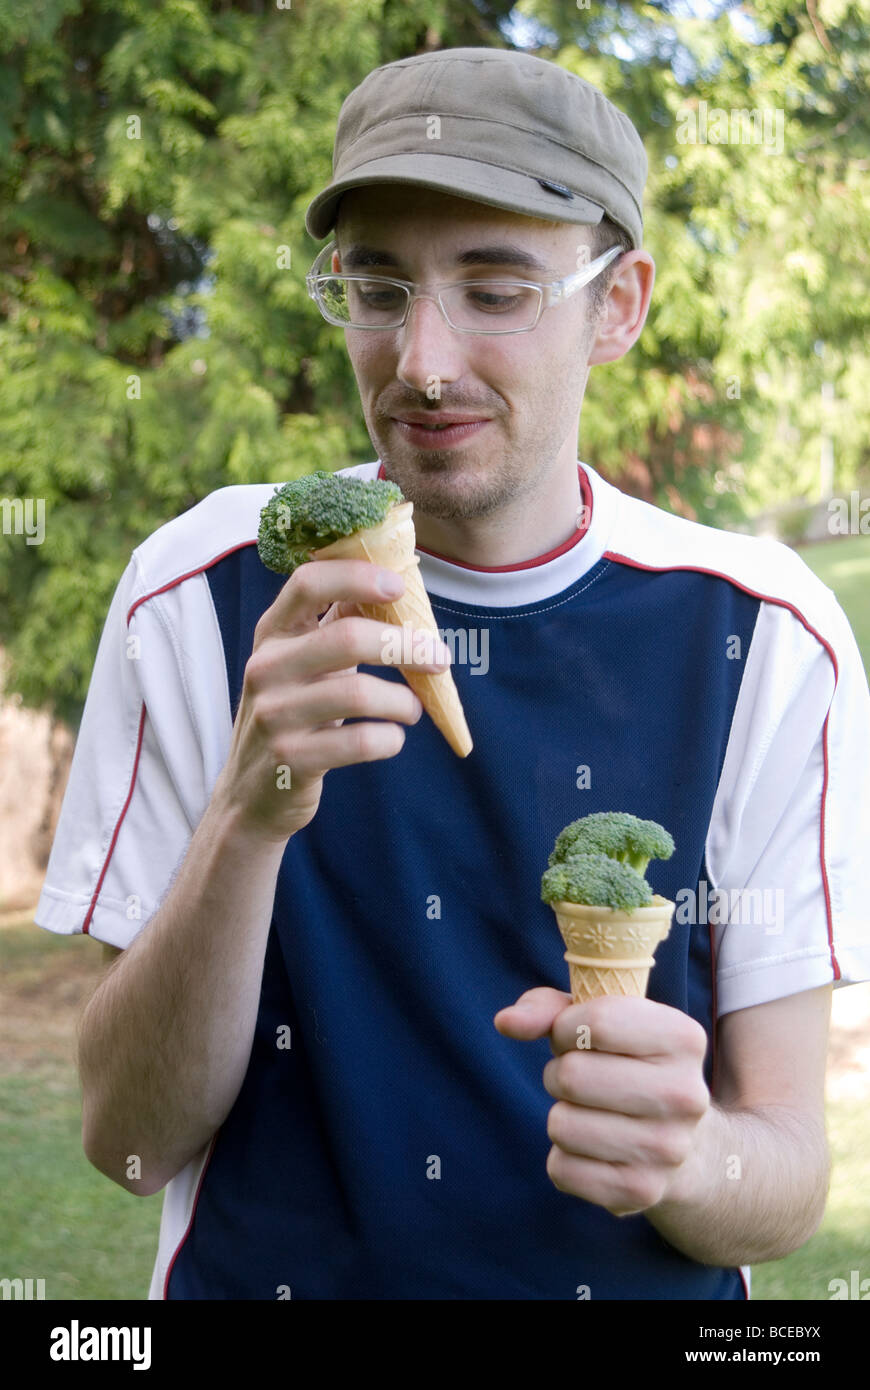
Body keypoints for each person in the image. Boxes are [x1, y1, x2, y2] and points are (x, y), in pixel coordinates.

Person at [36, 46, 869, 1301]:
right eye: (379, 288)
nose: (422, 362)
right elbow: (128, 1141)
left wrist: (686, 1155)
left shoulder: (761, 635)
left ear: (619, 304)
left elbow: (788, 1173)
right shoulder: (194, 595)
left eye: (495, 289)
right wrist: (246, 818)